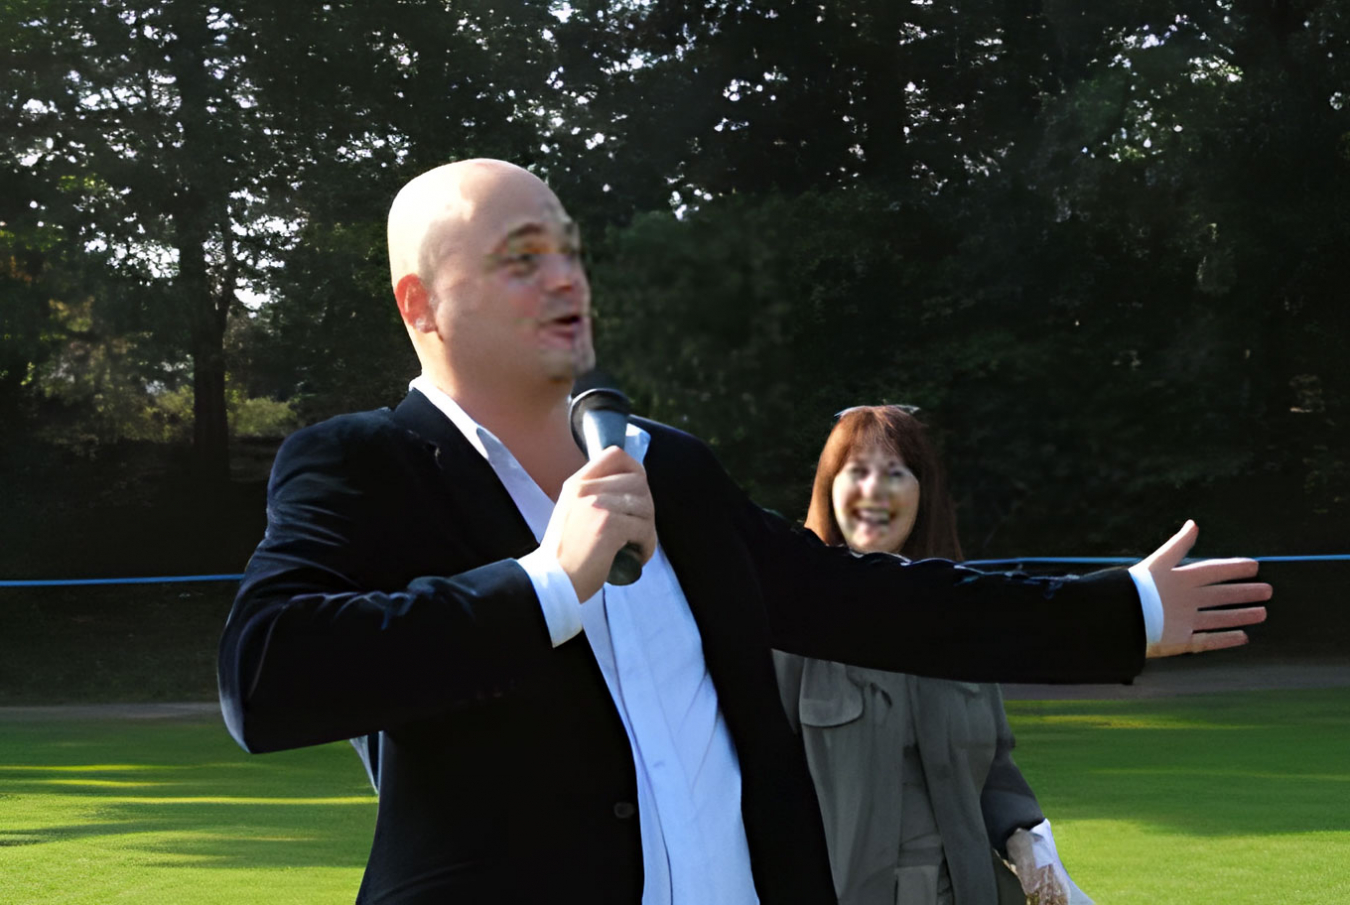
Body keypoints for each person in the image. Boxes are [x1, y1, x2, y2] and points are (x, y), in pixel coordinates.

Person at [216, 159, 1269, 905]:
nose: (567, 278)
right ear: (422, 304)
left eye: (570, 252)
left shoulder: (665, 464)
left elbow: (871, 600)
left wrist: (1122, 609)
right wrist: (549, 581)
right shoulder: (362, 464)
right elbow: (265, 675)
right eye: (519, 259)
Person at [775, 405, 1093, 905]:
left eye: (895, 473)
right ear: (829, 490)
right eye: (856, 472)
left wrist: (1024, 839)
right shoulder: (787, 626)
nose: (874, 490)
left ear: (924, 494)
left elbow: (994, 771)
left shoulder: (961, 622)